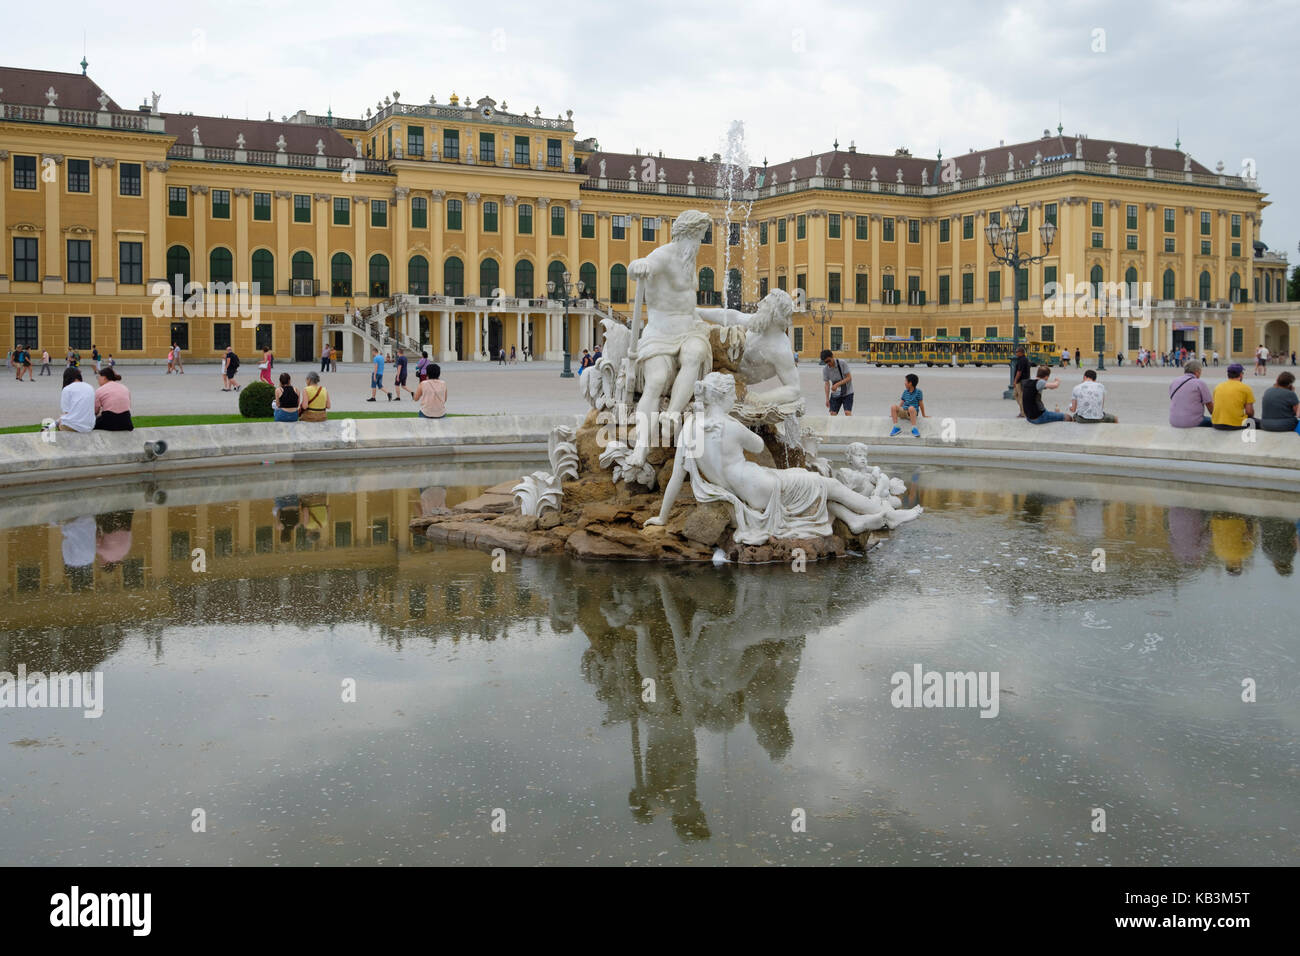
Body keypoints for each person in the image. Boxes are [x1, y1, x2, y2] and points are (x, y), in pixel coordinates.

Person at [1211, 363, 1258, 430]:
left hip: (1216, 423)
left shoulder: (1218, 387)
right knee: (1261, 423)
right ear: (1241, 374)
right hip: (1236, 424)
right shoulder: (1246, 388)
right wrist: (1250, 418)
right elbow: (1249, 412)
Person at [1169, 360, 1214, 428]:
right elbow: (1210, 407)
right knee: (1217, 423)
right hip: (1193, 422)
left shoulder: (1174, 381)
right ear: (1197, 372)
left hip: (1173, 421)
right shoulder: (1199, 383)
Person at [93, 366, 133, 431]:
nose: (98, 380)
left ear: (104, 378)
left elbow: (95, 412)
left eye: (98, 377)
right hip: (126, 422)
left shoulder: (100, 390)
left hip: (109, 422)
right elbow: (128, 406)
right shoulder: (125, 387)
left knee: (90, 424)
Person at [56, 366, 95, 432]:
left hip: (74, 426)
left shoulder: (67, 389)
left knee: (60, 423)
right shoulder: (90, 387)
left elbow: (66, 412)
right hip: (89, 426)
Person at [821, 348, 853, 416]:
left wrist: (837, 384)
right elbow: (827, 384)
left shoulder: (842, 363)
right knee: (832, 414)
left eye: (829, 361)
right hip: (836, 393)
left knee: (847, 413)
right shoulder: (825, 369)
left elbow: (849, 377)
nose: (828, 363)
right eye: (826, 362)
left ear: (832, 356)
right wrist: (827, 399)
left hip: (847, 392)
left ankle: (850, 426)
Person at [1011, 345, 1031, 418]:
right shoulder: (1023, 359)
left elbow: (1019, 372)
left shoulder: (1022, 360)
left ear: (1021, 352)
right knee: (1015, 395)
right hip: (1021, 381)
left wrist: (1015, 381)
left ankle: (1024, 412)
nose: (1016, 353)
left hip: (1021, 381)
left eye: (1017, 352)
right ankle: (1023, 411)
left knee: (1021, 397)